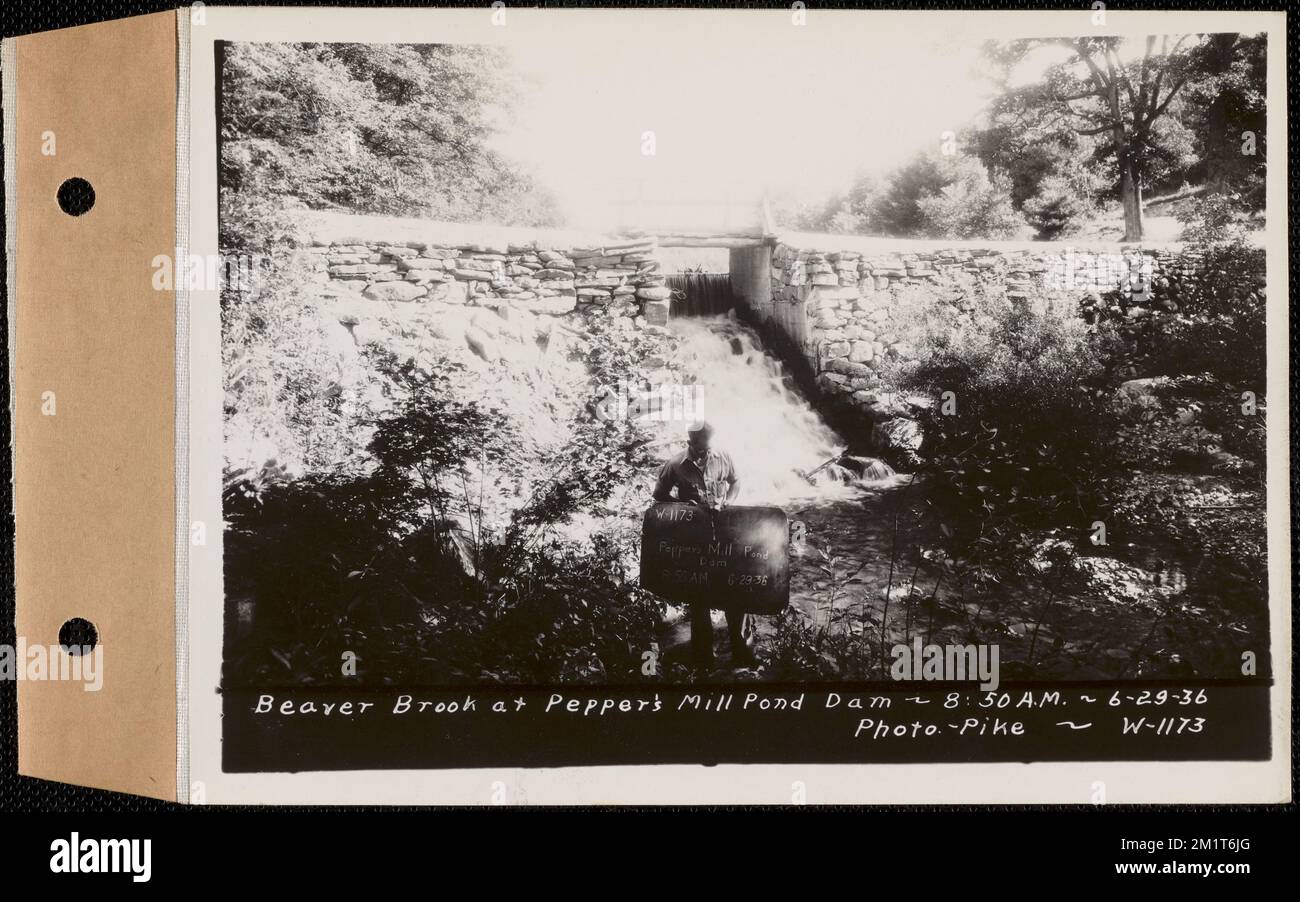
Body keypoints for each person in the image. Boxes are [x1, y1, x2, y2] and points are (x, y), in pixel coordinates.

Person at [652, 420, 758, 668]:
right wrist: (680, 506)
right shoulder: (676, 464)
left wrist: (728, 502)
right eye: (704, 445)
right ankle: (703, 660)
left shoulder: (723, 456)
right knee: (700, 596)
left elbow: (736, 481)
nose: (708, 450)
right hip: (694, 538)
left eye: (711, 444)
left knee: (735, 589)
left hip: (725, 531)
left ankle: (742, 654)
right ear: (692, 442)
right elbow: (658, 495)